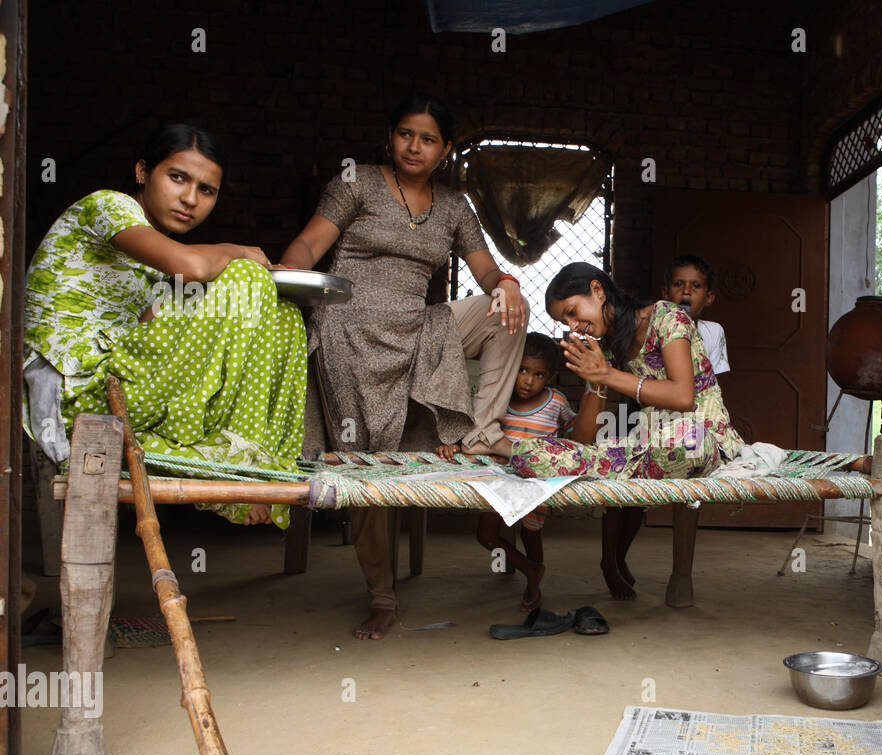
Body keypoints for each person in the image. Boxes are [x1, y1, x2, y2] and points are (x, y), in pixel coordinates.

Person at [279, 92, 528, 641]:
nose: (414, 146)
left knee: (509, 310)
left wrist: (507, 284)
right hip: (348, 332)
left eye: (428, 138)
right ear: (390, 136)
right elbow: (308, 244)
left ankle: (481, 432)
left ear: (446, 148)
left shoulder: (456, 206)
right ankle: (381, 596)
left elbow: (488, 273)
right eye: (405, 134)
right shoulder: (357, 182)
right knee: (369, 463)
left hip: (419, 332)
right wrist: (282, 273)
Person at [23, 123, 307, 528]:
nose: (190, 199)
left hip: (123, 385)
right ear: (142, 172)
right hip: (75, 394)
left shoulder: (156, 259)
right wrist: (237, 251)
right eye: (178, 178)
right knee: (247, 279)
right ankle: (228, 458)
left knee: (281, 310)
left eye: (206, 190)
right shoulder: (108, 206)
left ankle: (250, 458)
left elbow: (155, 327)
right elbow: (189, 264)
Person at [510, 263, 745, 599]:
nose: (575, 327)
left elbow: (682, 396)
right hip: (641, 450)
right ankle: (625, 470)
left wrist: (607, 374)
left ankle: (623, 469)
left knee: (680, 441)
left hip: (699, 438)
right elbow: (582, 441)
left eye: (573, 313)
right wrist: (595, 382)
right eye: (566, 323)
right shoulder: (606, 348)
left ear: (597, 290)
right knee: (526, 453)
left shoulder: (667, 316)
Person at [473, 332, 575, 612]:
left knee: (531, 534)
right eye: (522, 370)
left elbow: (572, 432)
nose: (529, 380)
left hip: (535, 483)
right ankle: (531, 570)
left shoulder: (557, 403)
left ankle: (533, 583)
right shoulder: (500, 400)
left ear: (551, 376)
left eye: (539, 374)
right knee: (487, 536)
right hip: (499, 480)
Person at [662, 254, 729, 379]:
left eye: (696, 286)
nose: (686, 291)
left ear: (709, 298)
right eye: (678, 284)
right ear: (666, 293)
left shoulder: (714, 332)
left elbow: (713, 384)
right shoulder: (653, 331)